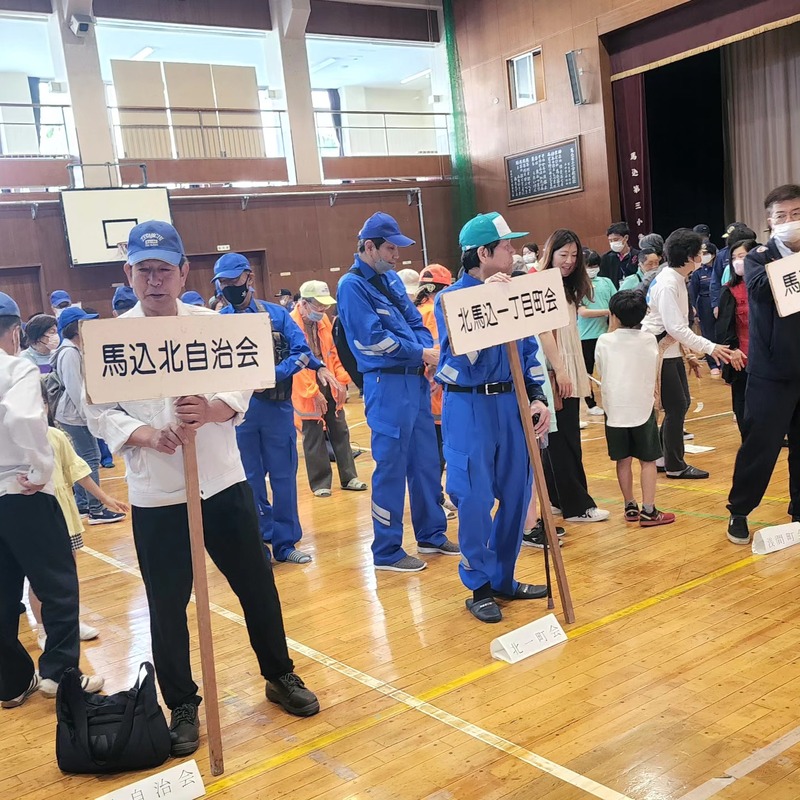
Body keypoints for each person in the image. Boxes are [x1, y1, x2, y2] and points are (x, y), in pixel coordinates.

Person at [85, 221, 320, 756]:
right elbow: (98, 409)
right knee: (167, 607)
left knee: (257, 585)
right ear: (128, 273)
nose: (154, 280)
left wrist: (214, 408)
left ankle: (279, 674)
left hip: (222, 482)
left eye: (164, 269)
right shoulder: (110, 338)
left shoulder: (214, 326)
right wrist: (143, 433)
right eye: (143, 270)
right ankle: (182, 701)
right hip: (156, 495)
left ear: (183, 271)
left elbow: (243, 381)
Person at [434, 212, 549, 622]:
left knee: (518, 493)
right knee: (475, 498)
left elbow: (530, 352)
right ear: (483, 253)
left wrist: (537, 398)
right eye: (506, 247)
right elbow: (463, 355)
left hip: (511, 404)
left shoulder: (516, 292)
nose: (514, 252)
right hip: (469, 406)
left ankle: (503, 577)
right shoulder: (451, 299)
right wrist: (487, 300)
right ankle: (479, 584)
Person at [0, 291, 104, 709]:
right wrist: (41, 471)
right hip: (23, 492)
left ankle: (10, 682)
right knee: (58, 586)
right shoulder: (16, 368)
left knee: (3, 592)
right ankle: (60, 677)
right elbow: (27, 419)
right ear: (13, 331)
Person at [337, 212, 457, 572]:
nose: (396, 255)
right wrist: (422, 352)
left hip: (415, 381)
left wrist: (425, 351)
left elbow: (416, 323)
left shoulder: (388, 279)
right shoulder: (351, 285)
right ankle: (387, 550)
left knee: (425, 461)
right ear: (368, 247)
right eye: (390, 248)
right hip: (385, 384)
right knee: (390, 467)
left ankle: (431, 533)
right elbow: (372, 341)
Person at [216, 252, 337, 565]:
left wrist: (272, 376)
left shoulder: (277, 316)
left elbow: (300, 352)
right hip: (238, 411)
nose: (231, 287)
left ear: (250, 280)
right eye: (224, 283)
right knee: (250, 479)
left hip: (277, 408)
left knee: (283, 476)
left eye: (235, 281)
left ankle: (285, 542)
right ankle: (258, 541)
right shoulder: (218, 325)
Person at [727, 185, 800, 544]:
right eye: (781, 216)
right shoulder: (759, 257)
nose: (789, 222)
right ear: (769, 222)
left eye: (796, 214)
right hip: (772, 373)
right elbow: (758, 291)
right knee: (761, 445)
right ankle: (739, 511)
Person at [30, 387, 129, 650]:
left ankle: (69, 623)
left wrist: (105, 498)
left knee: (67, 577)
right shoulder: (15, 443)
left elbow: (77, 471)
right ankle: (44, 628)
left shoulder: (56, 437)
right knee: (41, 579)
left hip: (66, 519)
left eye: (40, 402)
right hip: (36, 522)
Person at [641, 228, 737, 479]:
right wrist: (710, 347)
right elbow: (675, 327)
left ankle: (665, 457)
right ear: (688, 255)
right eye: (699, 252)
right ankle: (674, 464)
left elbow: (677, 327)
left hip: (670, 348)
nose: (702, 256)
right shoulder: (669, 282)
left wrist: (690, 354)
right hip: (659, 349)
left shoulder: (675, 278)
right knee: (676, 405)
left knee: (680, 403)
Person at [538, 229, 610, 523]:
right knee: (565, 437)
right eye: (562, 254)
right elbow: (544, 331)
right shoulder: (543, 284)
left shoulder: (565, 285)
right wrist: (560, 370)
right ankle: (577, 505)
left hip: (566, 362)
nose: (569, 261)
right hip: (556, 367)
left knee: (557, 438)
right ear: (550, 253)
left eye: (573, 255)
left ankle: (558, 497)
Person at [596, 291, 676, 527]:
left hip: (614, 409)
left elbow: (600, 367)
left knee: (623, 459)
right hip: (642, 407)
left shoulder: (604, 340)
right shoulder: (648, 339)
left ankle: (629, 504)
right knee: (648, 460)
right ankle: (649, 510)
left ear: (614, 316)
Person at [290, 280, 366, 497]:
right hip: (304, 385)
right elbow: (296, 364)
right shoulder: (291, 324)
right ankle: (320, 482)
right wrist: (313, 392)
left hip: (329, 380)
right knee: (313, 434)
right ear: (304, 303)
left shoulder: (324, 320)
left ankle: (349, 476)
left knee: (340, 429)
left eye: (324, 306)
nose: (322, 310)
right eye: (317, 305)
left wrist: (341, 381)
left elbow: (333, 353)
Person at [52, 307, 125, 524]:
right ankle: (96, 508)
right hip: (76, 415)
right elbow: (76, 391)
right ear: (75, 328)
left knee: (83, 458)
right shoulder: (70, 353)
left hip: (74, 414)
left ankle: (84, 504)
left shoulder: (71, 350)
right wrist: (90, 419)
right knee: (90, 458)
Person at [414, 263, 457, 517]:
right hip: (437, 392)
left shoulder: (418, 310)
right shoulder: (433, 312)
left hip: (427, 393)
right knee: (437, 454)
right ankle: (435, 500)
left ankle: (436, 498)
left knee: (432, 454)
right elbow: (437, 352)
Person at [716, 239, 757, 440]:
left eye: (742, 256)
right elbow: (724, 325)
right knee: (743, 399)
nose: (738, 262)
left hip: (769, 353)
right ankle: (748, 438)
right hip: (741, 353)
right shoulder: (729, 289)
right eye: (734, 258)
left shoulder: (766, 283)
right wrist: (732, 349)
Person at [578, 248, 616, 416]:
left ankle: (612, 399)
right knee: (587, 371)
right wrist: (607, 312)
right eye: (589, 266)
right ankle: (590, 403)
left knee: (609, 369)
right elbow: (583, 312)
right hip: (585, 336)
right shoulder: (578, 285)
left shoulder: (606, 282)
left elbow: (616, 303)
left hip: (606, 334)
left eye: (595, 265)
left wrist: (611, 325)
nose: (592, 269)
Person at [710, 223, 756, 315]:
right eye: (734, 257)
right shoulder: (722, 255)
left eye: (741, 256)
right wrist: (716, 304)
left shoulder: (759, 253)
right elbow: (716, 281)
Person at [689, 242, 719, 373]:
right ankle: (713, 364)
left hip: (720, 302)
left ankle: (724, 362)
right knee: (708, 333)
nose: (704, 256)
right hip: (704, 303)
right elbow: (692, 293)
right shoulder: (698, 273)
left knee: (722, 332)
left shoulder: (719, 269)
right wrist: (694, 310)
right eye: (702, 253)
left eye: (707, 253)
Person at [599, 222, 639, 288]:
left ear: (626, 238)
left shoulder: (637, 255)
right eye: (610, 241)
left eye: (615, 240)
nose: (613, 243)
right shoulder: (606, 258)